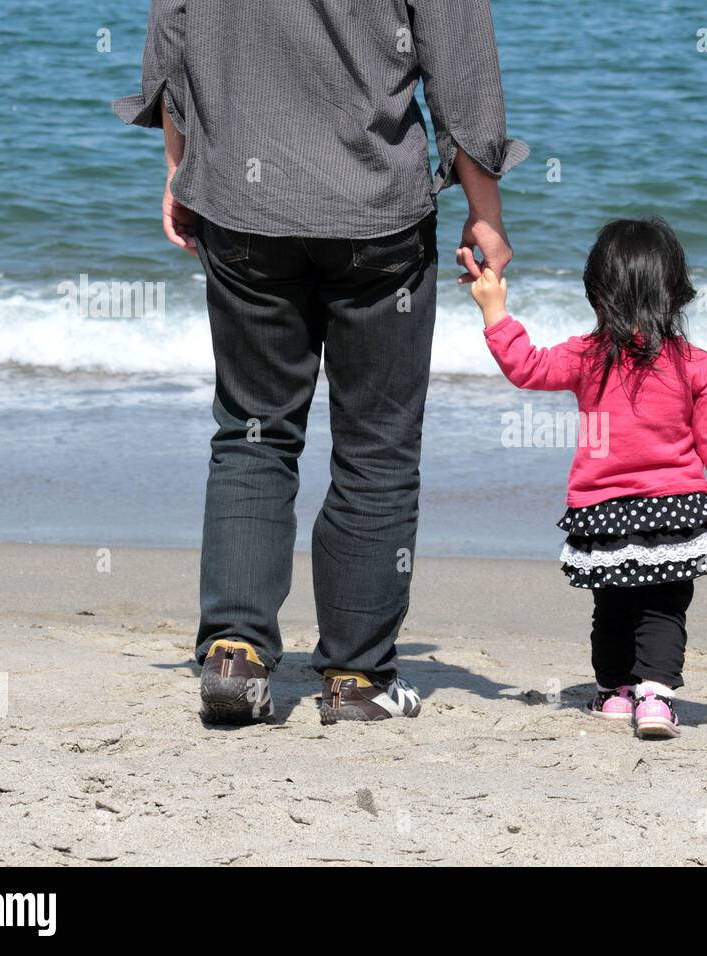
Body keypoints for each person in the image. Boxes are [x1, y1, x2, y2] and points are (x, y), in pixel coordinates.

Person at [112, 1, 528, 723]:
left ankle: (234, 652)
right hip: (376, 208)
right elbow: (459, 61)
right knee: (378, 444)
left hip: (242, 205)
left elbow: (173, 35)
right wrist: (485, 208)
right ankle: (358, 679)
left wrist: (178, 166)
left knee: (252, 427)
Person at [468, 218, 707, 739]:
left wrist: (494, 310)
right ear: (676, 293)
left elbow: (526, 367)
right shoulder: (694, 363)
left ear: (597, 293)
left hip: (603, 507)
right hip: (675, 505)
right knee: (665, 605)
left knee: (613, 605)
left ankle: (616, 692)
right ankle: (656, 697)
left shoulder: (586, 356)